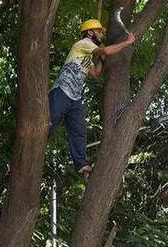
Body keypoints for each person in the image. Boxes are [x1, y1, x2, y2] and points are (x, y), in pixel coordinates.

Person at [49, 19, 136, 179]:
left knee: (79, 130)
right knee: (48, 124)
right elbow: (107, 51)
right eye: (99, 31)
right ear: (90, 32)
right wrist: (127, 42)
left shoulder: (87, 55)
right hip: (62, 90)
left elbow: (96, 74)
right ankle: (29, 148)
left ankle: (81, 164)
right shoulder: (83, 43)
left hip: (75, 97)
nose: (102, 34)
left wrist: (101, 59)